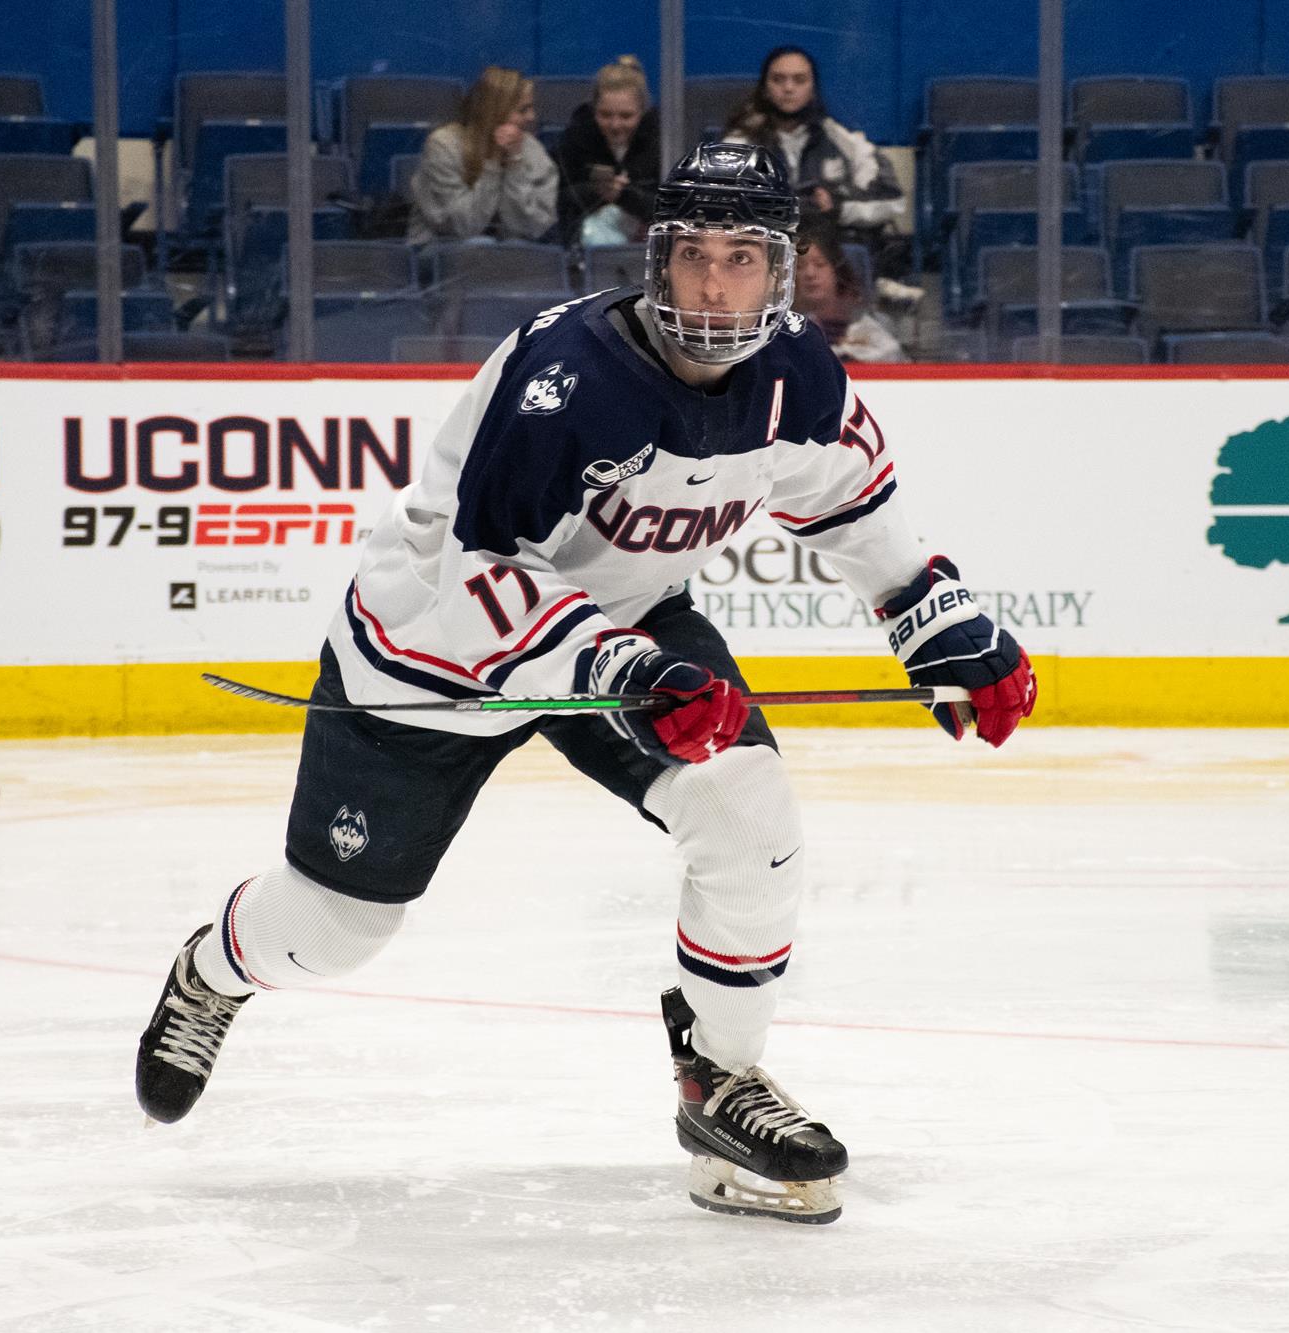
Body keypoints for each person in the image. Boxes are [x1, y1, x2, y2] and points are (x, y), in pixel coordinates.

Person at [135, 143, 1036, 1226]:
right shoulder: (563, 376)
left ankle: (721, 1079)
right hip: (432, 652)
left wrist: (939, 628)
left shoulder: (800, 376)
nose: (713, 283)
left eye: (740, 259)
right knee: (336, 930)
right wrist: (624, 667)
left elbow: (855, 511)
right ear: (655, 260)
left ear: (781, 271)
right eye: (693, 255)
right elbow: (479, 576)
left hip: (627, 627)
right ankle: (214, 969)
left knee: (746, 810)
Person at [721, 46, 918, 302]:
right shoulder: (739, 144)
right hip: (761, 264)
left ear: (813, 88)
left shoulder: (840, 138)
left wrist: (837, 206)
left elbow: (892, 200)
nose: (789, 88)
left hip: (834, 263)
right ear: (764, 87)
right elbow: (717, 205)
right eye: (779, 79)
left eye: (799, 80)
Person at [407, 66, 559, 247]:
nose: (532, 116)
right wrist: (493, 162)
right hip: (438, 252)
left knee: (516, 247)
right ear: (495, 112)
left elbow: (532, 228)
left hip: (506, 255)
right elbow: (464, 227)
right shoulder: (443, 145)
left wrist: (515, 163)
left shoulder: (529, 148)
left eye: (532, 108)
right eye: (523, 110)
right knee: (480, 245)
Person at [555, 55, 661, 247]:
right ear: (593, 109)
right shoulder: (577, 136)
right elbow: (560, 200)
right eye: (605, 115)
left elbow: (672, 206)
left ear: (643, 111)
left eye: (626, 116)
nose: (615, 125)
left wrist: (624, 195)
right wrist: (597, 191)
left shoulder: (660, 140)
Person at [791, 219, 905, 363]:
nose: (810, 273)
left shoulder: (867, 323)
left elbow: (894, 358)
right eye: (800, 266)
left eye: (820, 264)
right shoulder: (783, 325)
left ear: (838, 271)